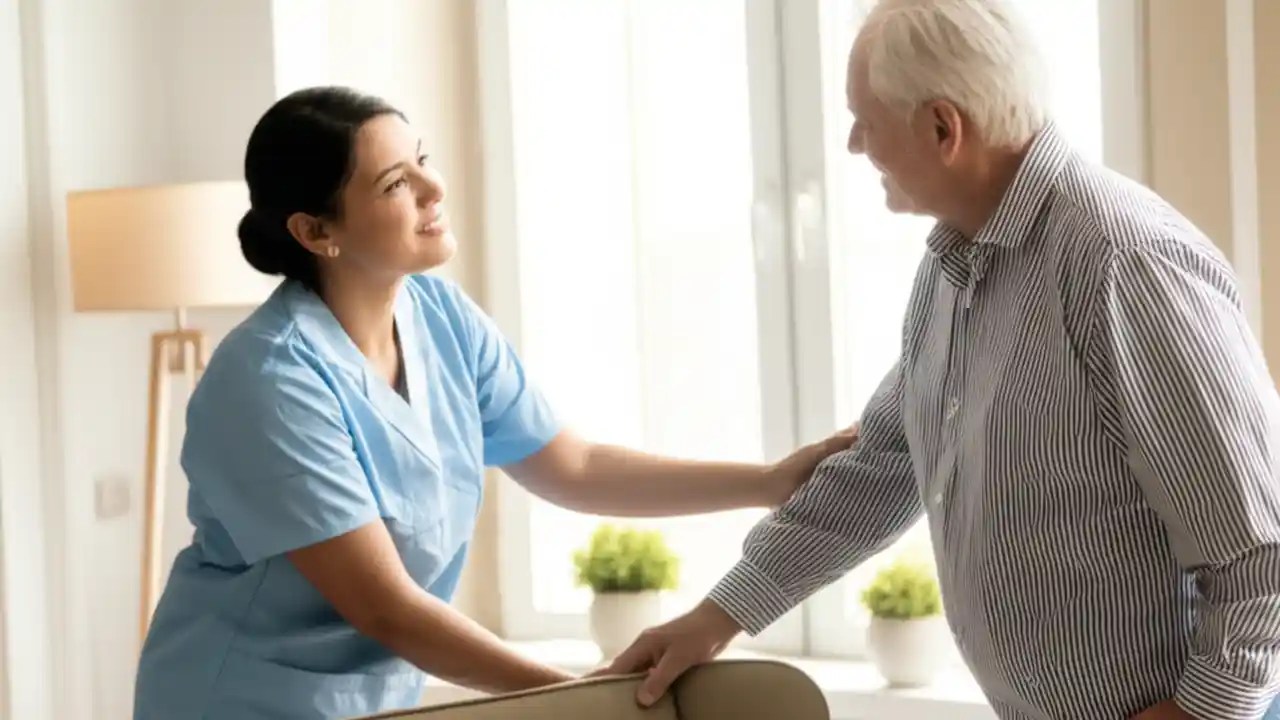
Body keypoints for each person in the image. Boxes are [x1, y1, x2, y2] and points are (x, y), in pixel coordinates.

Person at [601, 1, 1280, 718]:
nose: (854, 143)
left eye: (866, 120)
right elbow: (881, 467)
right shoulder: (954, 266)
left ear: (941, 128)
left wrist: (1196, 714)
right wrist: (716, 617)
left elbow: (1260, 554)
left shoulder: (1124, 261)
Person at [131, 85, 858, 720]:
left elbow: (574, 466)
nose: (433, 187)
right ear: (317, 231)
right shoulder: (268, 381)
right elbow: (386, 608)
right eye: (395, 182)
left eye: (423, 158)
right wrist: (586, 700)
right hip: (236, 700)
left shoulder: (441, 318)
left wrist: (766, 483)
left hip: (374, 703)